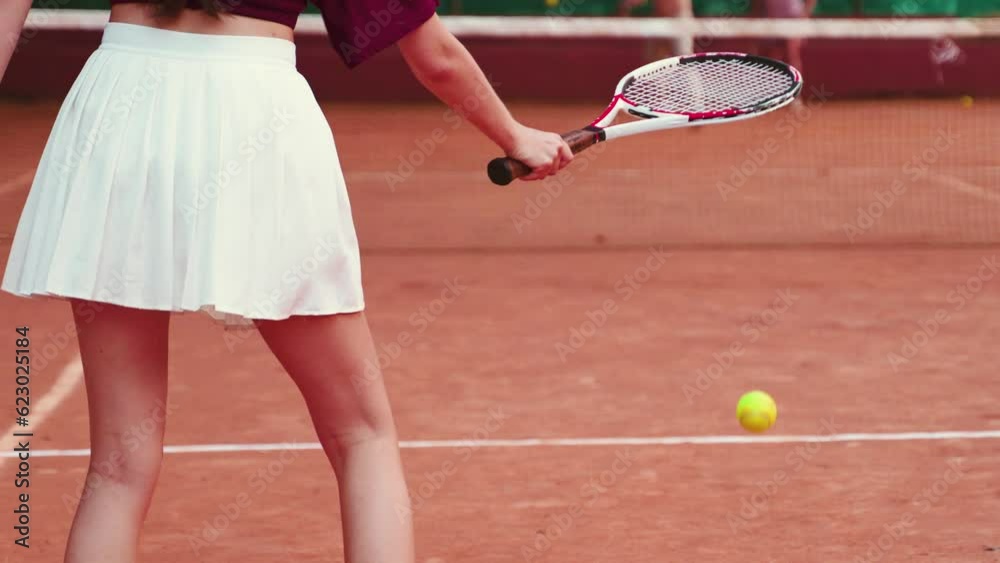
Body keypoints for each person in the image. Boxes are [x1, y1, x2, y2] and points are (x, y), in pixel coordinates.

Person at [0, 1, 573, 561]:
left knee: (118, 466)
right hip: (257, 112)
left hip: (118, 107)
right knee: (362, 435)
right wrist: (513, 135)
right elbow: (436, 57)